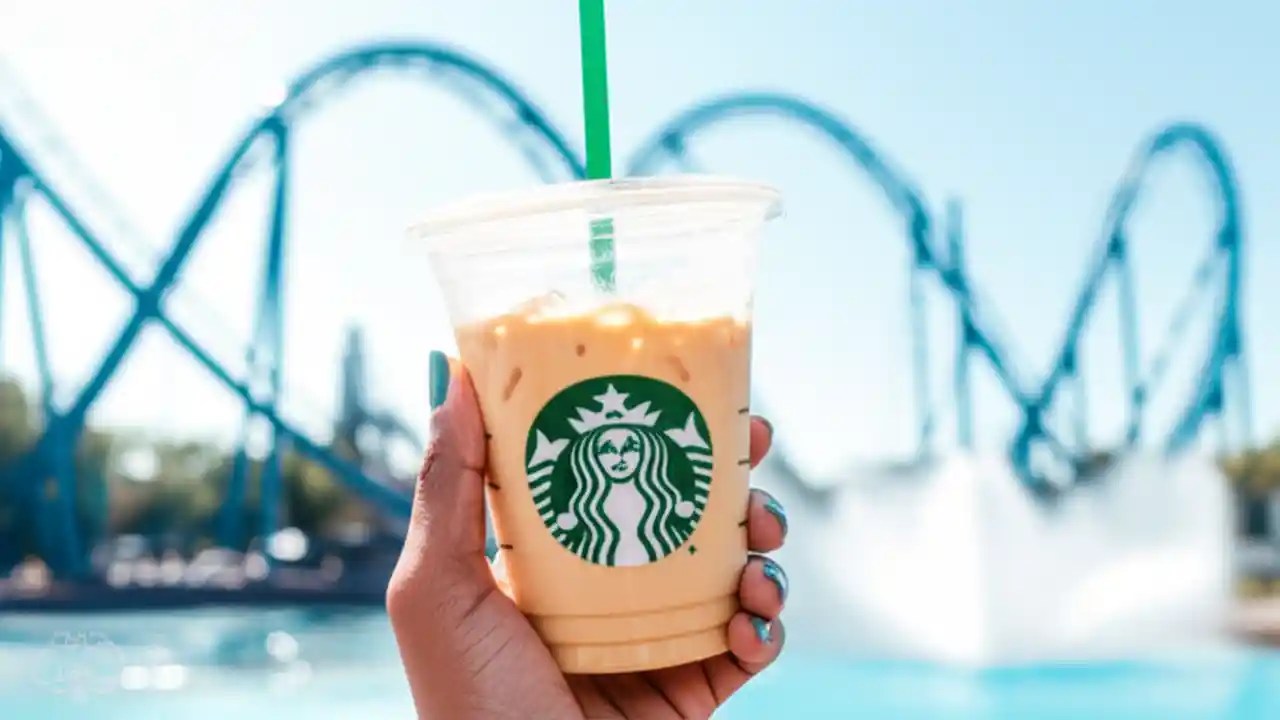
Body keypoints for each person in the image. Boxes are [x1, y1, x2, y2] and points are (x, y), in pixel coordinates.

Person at [387, 355, 790, 719]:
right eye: (607, 450)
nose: (619, 458)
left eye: (630, 447)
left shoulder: (664, 506)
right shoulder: (585, 511)